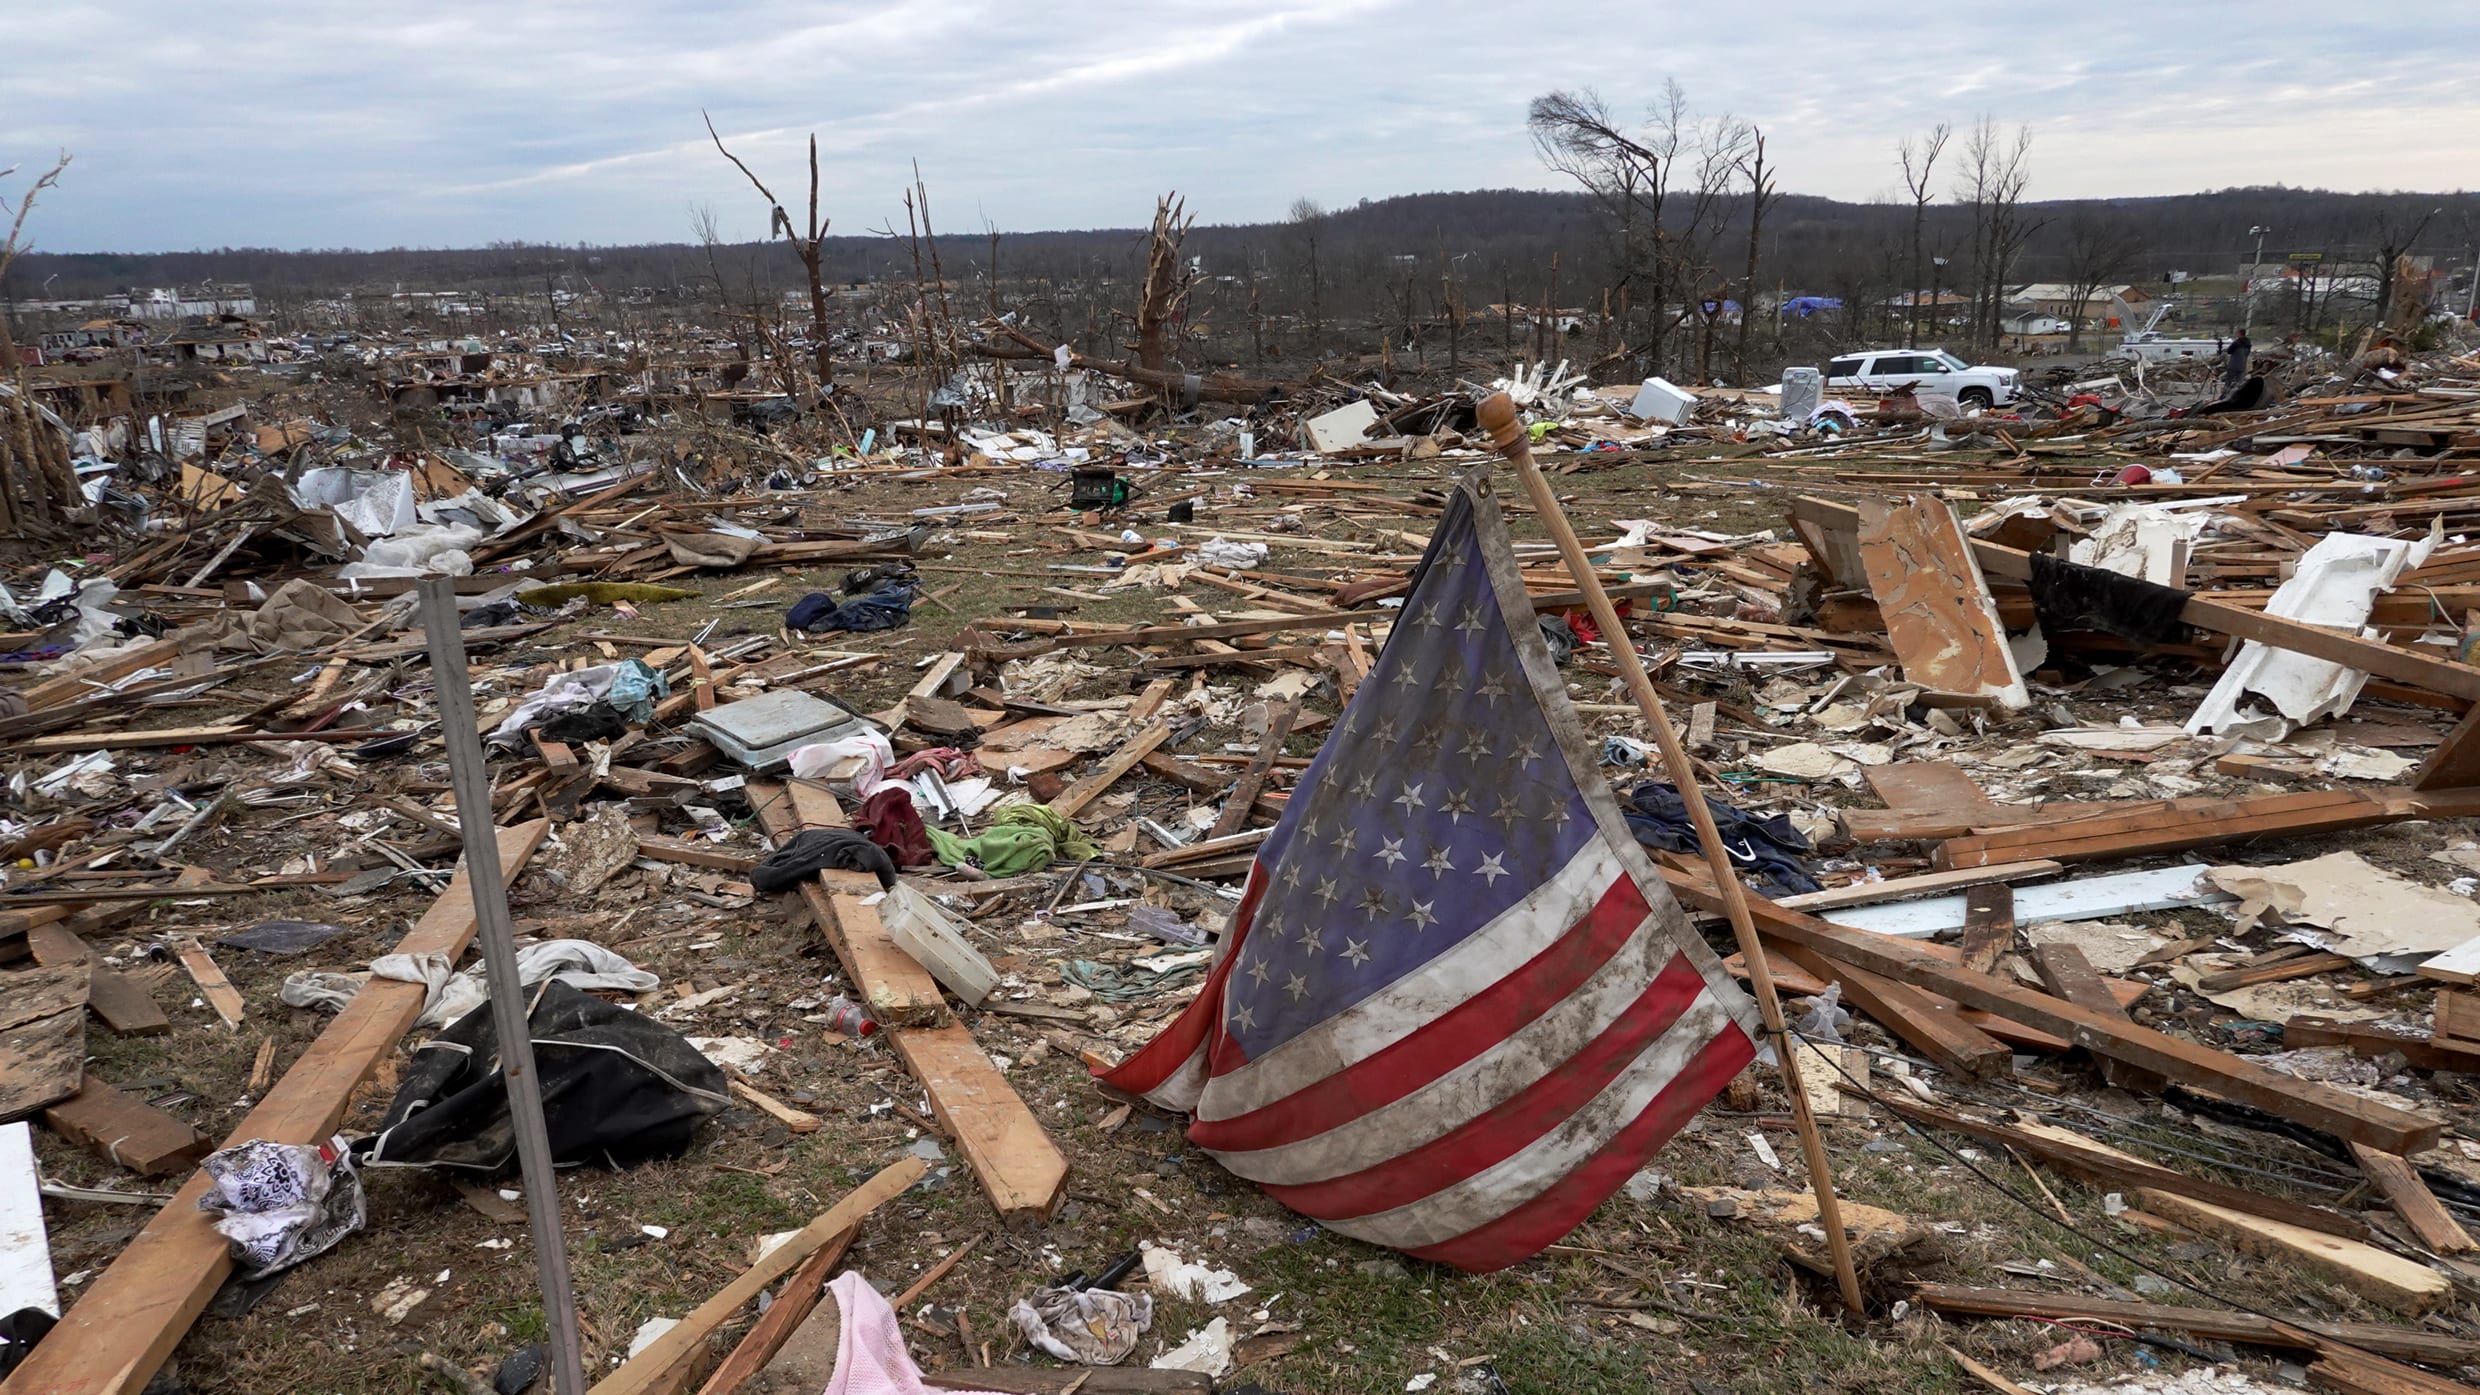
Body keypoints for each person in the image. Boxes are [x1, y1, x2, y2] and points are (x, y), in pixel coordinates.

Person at [2222, 329, 2253, 393]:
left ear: (2240, 333)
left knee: (2228, 380)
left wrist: (2225, 350)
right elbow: (2248, 353)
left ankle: (2225, 392)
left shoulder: (2236, 342)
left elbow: (2229, 351)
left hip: (2233, 365)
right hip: (2242, 365)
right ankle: (2238, 394)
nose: (2236, 334)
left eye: (2237, 333)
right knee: (2240, 383)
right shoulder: (2248, 343)